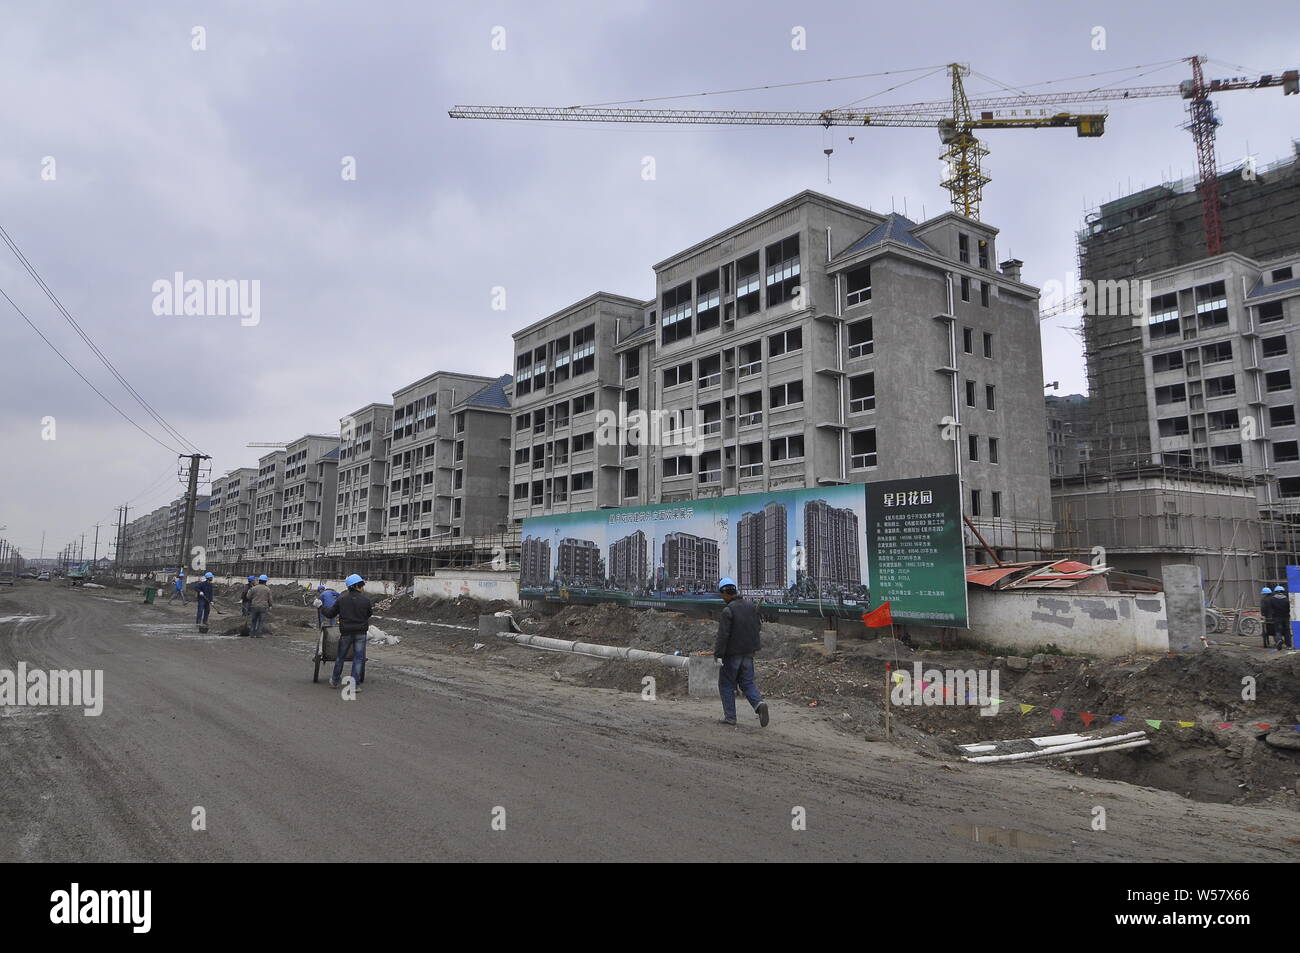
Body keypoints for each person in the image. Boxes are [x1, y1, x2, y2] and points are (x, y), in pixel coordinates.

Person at [713, 577, 769, 728]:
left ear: (725, 593)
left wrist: (718, 655)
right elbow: (757, 627)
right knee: (747, 682)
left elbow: (723, 635)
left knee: (725, 684)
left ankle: (730, 717)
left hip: (732, 655)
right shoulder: (750, 606)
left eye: (722, 595)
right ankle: (759, 704)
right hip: (749, 653)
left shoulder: (728, 610)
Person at [323, 573, 371, 690]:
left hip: (346, 633)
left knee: (340, 657)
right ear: (356, 586)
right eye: (361, 585)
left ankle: (335, 680)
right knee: (358, 658)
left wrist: (321, 607)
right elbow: (369, 614)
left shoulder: (342, 599)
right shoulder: (365, 600)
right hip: (360, 633)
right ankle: (355, 685)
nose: (362, 587)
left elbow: (330, 614)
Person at [1272, 585, 1292, 649]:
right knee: (1287, 631)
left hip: (1277, 617)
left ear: (1275, 592)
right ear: (1283, 591)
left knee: (1278, 630)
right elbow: (1289, 608)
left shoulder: (1272, 599)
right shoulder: (1286, 599)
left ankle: (1279, 640)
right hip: (1286, 617)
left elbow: (1271, 609)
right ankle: (1288, 645)